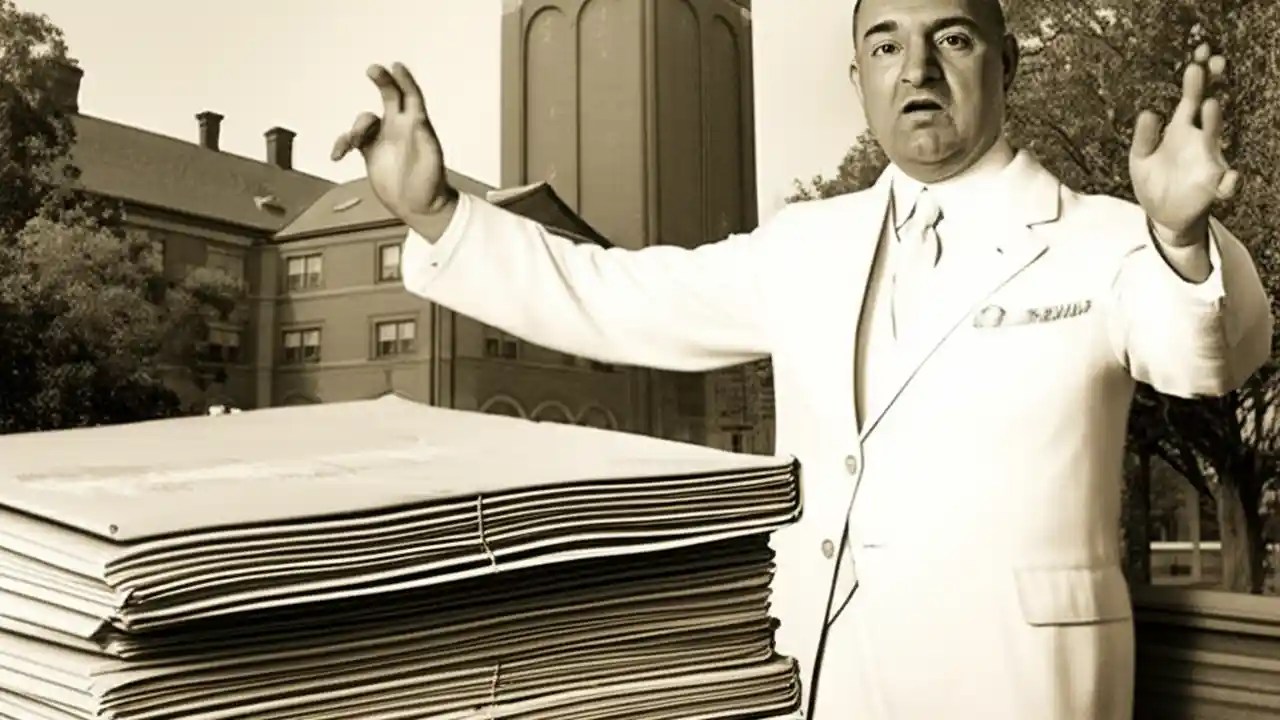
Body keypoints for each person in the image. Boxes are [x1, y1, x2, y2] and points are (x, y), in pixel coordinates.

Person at [331, 0, 1274, 716]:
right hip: (827, 680)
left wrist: (1185, 236)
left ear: (1007, 62)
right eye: (885, 44)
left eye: (952, 39)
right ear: (857, 78)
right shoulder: (807, 243)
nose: (918, 69)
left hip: (1017, 687)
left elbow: (1209, 359)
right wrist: (437, 213)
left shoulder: (1109, 237)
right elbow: (617, 296)